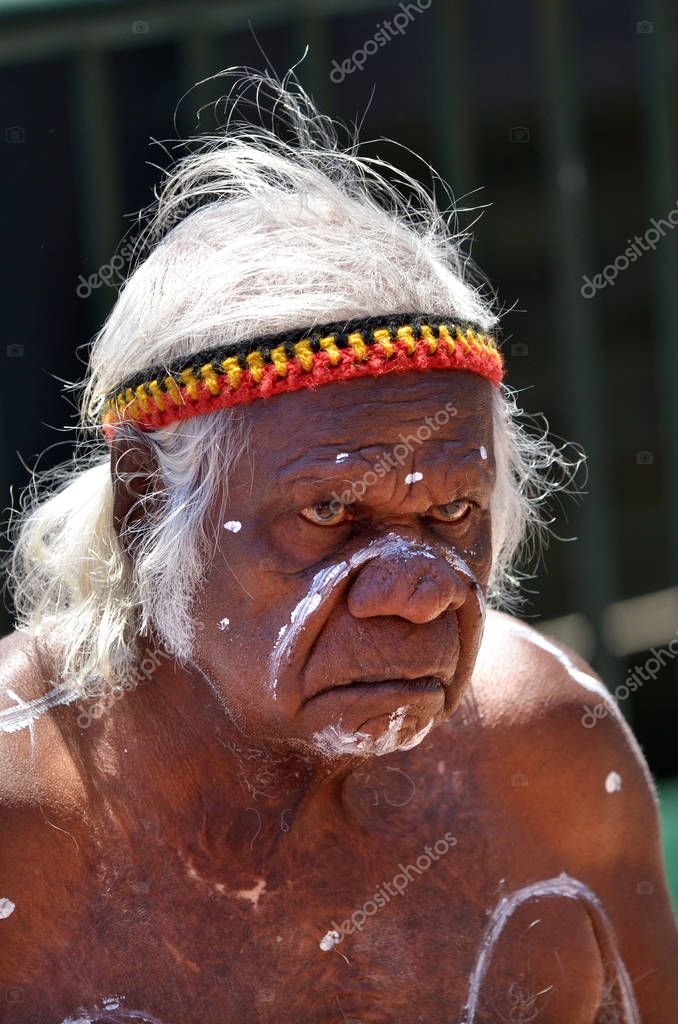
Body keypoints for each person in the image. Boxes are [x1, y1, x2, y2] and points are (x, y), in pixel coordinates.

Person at [0, 71, 676, 1024]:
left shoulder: (546, 747)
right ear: (146, 501)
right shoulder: (21, 810)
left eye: (453, 512)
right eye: (329, 514)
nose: (418, 592)